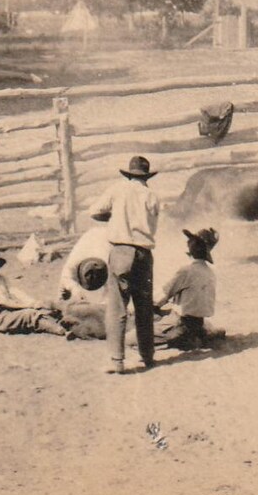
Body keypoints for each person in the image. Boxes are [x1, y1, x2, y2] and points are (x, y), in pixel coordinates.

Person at [89, 156, 161, 374]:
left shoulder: (117, 189)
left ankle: (117, 360)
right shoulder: (152, 196)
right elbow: (152, 225)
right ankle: (147, 356)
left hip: (121, 250)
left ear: (129, 174)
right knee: (144, 306)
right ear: (146, 176)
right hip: (144, 253)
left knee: (117, 307)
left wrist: (114, 218)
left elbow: (94, 211)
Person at [0, 245, 67, 336]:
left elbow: (15, 292)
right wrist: (30, 305)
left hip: (13, 309)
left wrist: (34, 302)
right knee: (29, 314)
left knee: (45, 306)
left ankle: (64, 319)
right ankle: (59, 329)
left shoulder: (0, 278)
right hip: (1, 318)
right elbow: (2, 303)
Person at [156, 228, 225, 351]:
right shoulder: (210, 272)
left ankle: (184, 340)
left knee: (132, 338)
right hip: (200, 322)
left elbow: (161, 297)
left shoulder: (186, 271)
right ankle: (201, 335)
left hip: (182, 322)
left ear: (191, 248)